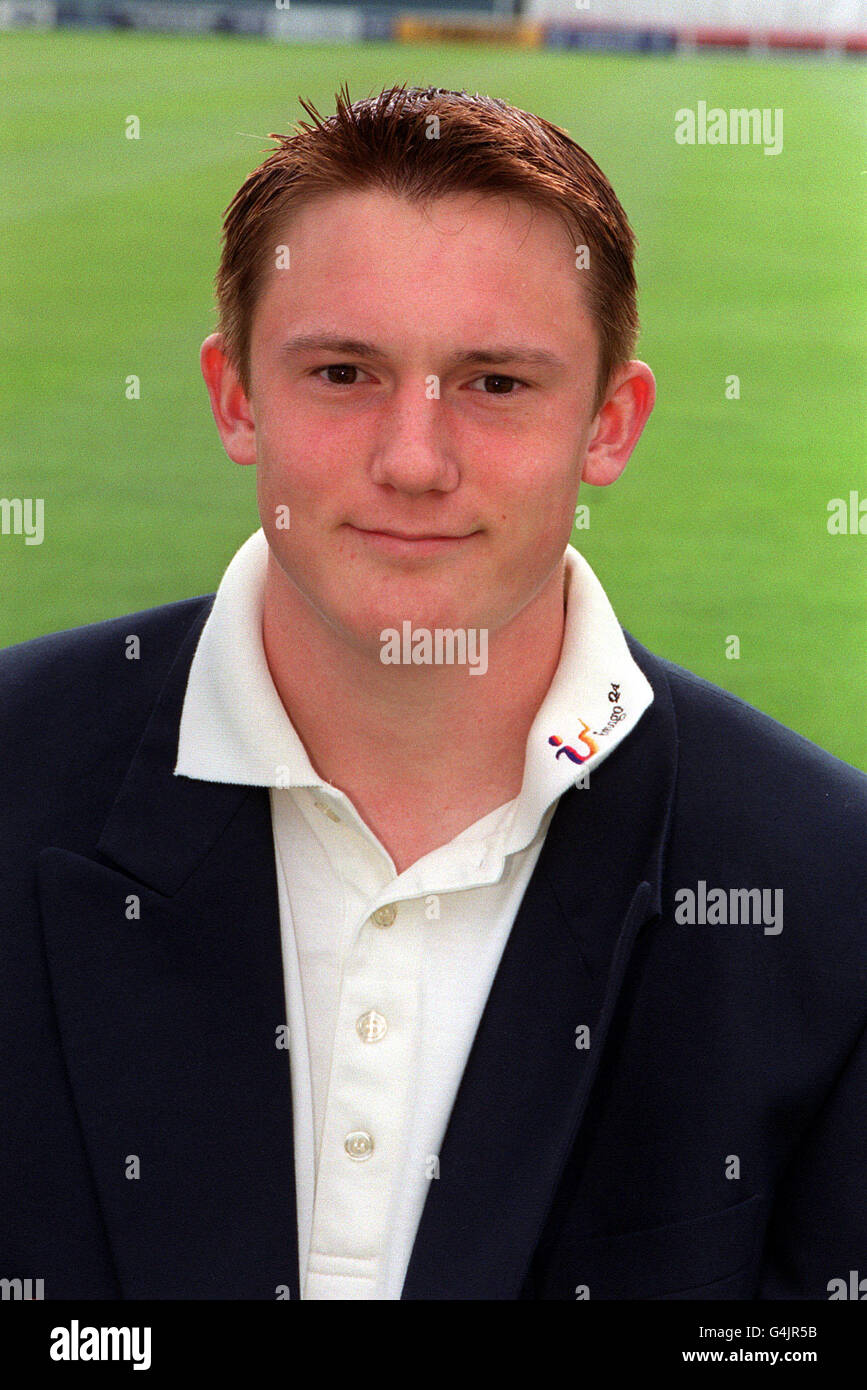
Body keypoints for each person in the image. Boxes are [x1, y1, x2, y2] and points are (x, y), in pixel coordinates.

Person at [2, 86, 864, 1301]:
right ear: (235, 395)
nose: (415, 459)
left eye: (496, 383)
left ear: (609, 424)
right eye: (345, 371)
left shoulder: (830, 888)